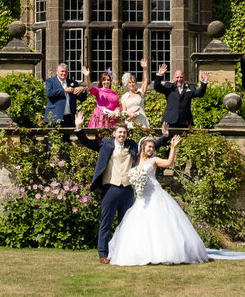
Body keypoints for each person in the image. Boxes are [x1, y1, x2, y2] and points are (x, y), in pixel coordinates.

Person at [105, 135, 209, 266]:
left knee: (158, 223)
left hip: (154, 194)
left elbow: (169, 163)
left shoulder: (154, 160)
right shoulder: (135, 159)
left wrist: (172, 147)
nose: (151, 149)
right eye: (149, 147)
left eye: (153, 147)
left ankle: (165, 253)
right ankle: (140, 253)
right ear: (142, 147)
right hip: (141, 197)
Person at [75, 122, 139, 264]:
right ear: (114, 134)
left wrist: (164, 138)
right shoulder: (105, 144)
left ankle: (124, 252)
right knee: (106, 222)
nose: (122, 135)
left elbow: (149, 147)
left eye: (124, 132)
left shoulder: (132, 146)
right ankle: (103, 253)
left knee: (126, 223)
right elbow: (87, 143)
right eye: (120, 132)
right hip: (110, 188)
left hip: (127, 189)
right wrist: (79, 128)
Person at [154, 63, 206, 131]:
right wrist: (159, 75)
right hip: (170, 121)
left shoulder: (190, 88)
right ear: (173, 78)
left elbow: (199, 93)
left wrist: (204, 83)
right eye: (177, 77)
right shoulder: (169, 87)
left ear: (184, 78)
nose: (179, 79)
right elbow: (157, 87)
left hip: (185, 122)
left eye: (181, 77)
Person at [44, 63, 89, 127]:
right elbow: (49, 93)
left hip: (69, 118)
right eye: (62, 71)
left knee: (67, 137)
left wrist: (82, 90)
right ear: (57, 72)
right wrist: (64, 91)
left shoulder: (73, 83)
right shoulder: (50, 81)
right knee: (53, 136)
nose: (64, 73)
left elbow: (82, 99)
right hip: (54, 116)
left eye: (66, 71)